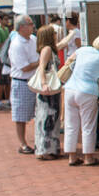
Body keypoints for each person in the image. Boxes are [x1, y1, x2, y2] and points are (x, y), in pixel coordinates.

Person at [63, 33, 99, 165]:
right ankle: (88, 157)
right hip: (87, 91)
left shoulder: (82, 50)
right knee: (88, 125)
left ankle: (71, 156)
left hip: (70, 89)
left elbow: (69, 61)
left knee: (71, 125)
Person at [9, 15, 39, 153]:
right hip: (22, 82)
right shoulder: (16, 44)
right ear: (22, 27)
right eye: (30, 24)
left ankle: (39, 140)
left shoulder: (33, 39)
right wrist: (42, 61)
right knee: (20, 116)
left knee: (38, 113)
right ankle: (23, 143)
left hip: (35, 80)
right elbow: (24, 67)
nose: (33, 26)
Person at [32, 24, 63, 160]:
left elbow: (63, 43)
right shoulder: (47, 49)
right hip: (48, 89)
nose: (56, 35)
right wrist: (44, 83)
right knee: (47, 118)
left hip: (51, 89)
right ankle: (45, 149)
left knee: (50, 117)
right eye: (54, 33)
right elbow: (42, 67)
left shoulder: (50, 49)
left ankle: (49, 148)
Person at [0, 14, 13, 110]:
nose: (7, 21)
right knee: (1, 79)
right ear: (0, 20)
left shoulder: (6, 29)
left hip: (7, 57)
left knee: (7, 79)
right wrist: (7, 43)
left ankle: (8, 99)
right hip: (1, 57)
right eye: (5, 19)